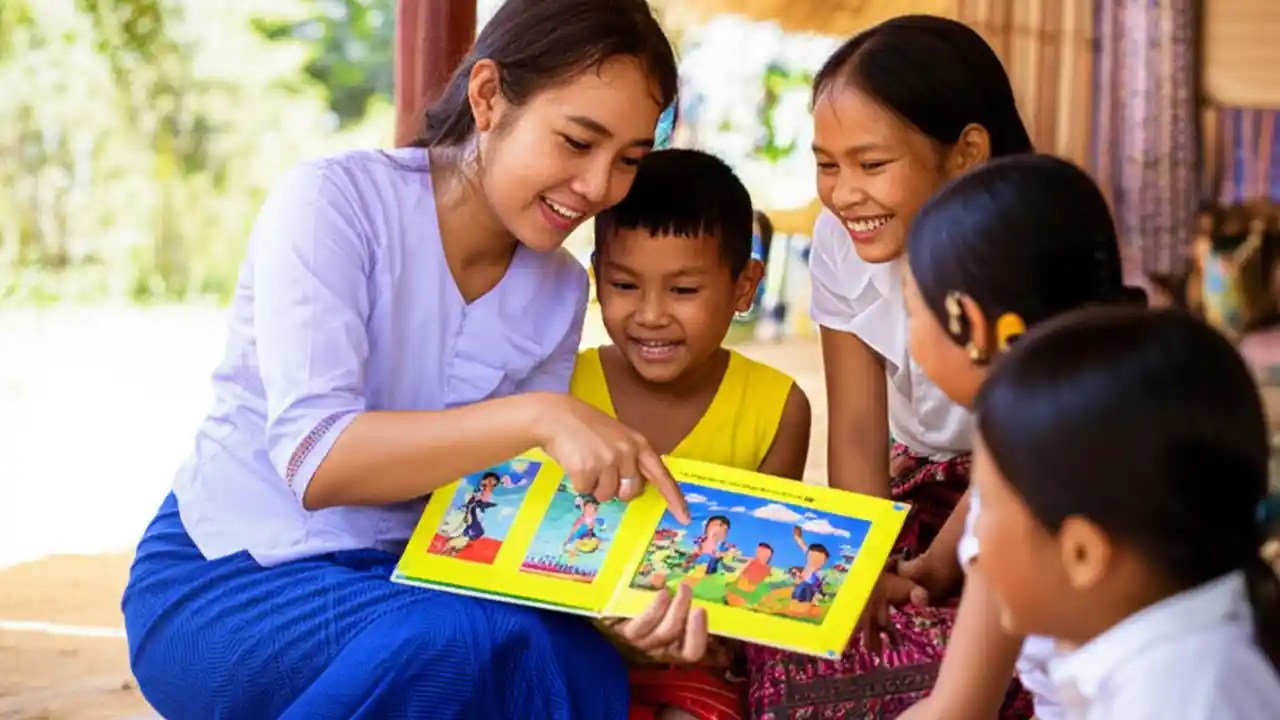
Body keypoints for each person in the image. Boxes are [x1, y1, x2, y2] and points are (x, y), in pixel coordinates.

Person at [119, 2, 706, 718]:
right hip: (236, 574)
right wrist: (537, 415)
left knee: (571, 660)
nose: (598, 186)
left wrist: (608, 607)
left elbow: (491, 514)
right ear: (487, 96)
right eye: (577, 141)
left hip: (407, 584)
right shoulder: (334, 204)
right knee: (463, 645)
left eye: (629, 161)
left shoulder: (558, 290)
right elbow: (317, 459)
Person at [746, 15, 1034, 718]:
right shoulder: (840, 240)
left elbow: (1022, 445)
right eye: (826, 164)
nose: (844, 193)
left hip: (1029, 487)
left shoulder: (1033, 245)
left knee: (994, 647)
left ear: (964, 152)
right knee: (798, 627)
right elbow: (854, 425)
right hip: (913, 486)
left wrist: (936, 566)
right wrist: (862, 563)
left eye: (871, 165)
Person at [890, 154, 1145, 719]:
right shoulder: (1132, 423)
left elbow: (958, 710)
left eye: (912, 311)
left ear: (970, 324)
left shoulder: (1020, 475)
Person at [572, 148, 811, 720]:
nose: (650, 315)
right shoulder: (561, 389)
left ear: (744, 286)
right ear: (596, 276)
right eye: (625, 285)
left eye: (683, 291)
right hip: (569, 649)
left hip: (695, 666)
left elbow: (757, 577)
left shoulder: (777, 408)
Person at [969, 306, 1280, 719]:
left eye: (986, 505)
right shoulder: (1166, 663)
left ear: (1082, 554)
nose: (974, 531)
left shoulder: (1177, 697)